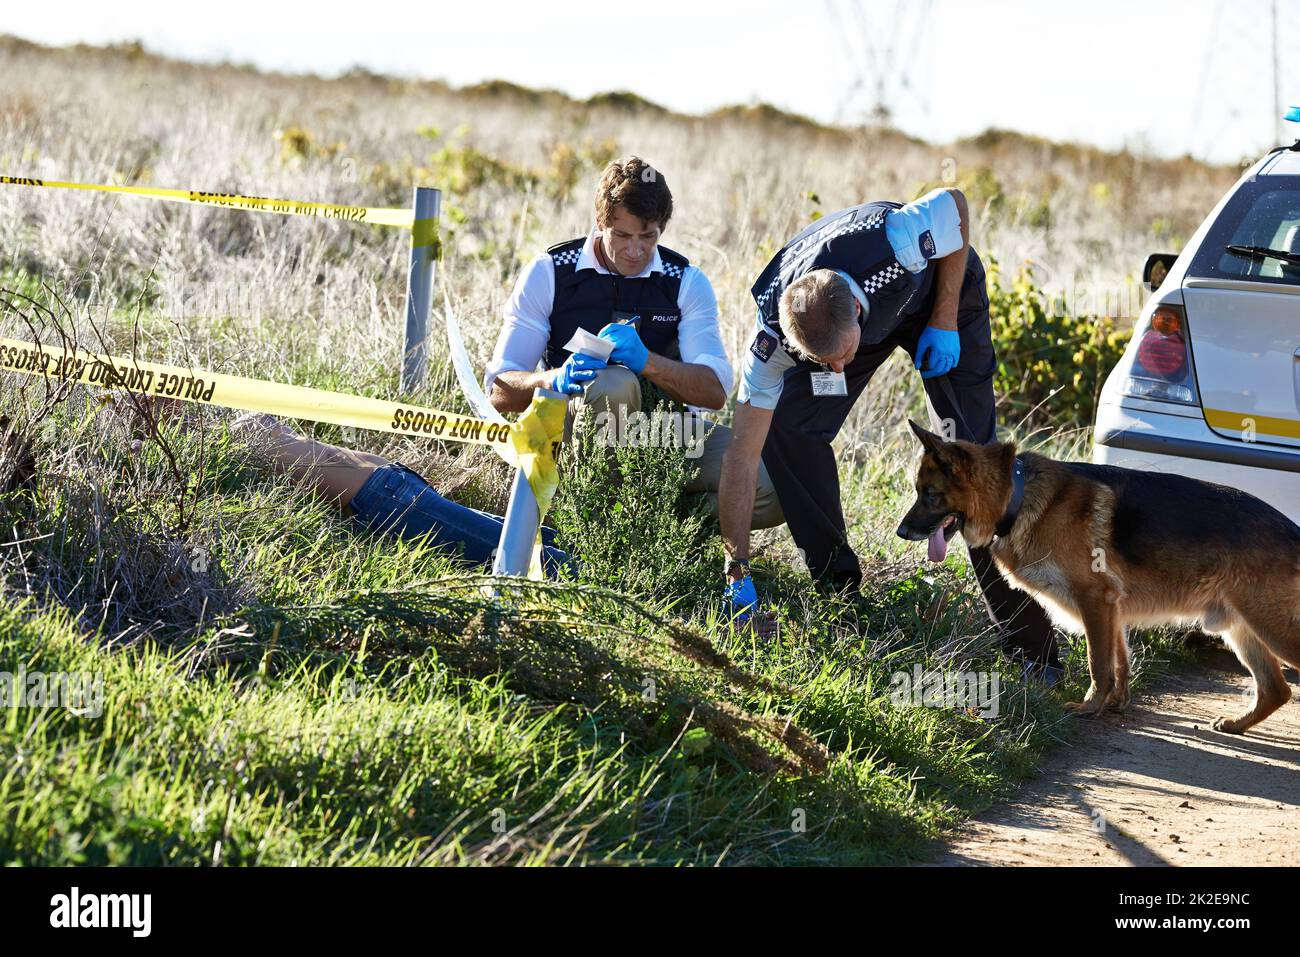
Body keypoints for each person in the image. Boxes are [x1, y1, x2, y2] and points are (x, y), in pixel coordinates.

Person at [717, 187, 1064, 681]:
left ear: (857, 314)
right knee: (788, 430)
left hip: (942, 292)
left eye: (840, 357)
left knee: (974, 469)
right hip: (851, 322)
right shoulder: (771, 343)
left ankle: (1033, 650)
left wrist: (943, 320)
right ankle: (840, 594)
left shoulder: (895, 240)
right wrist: (737, 571)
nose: (837, 369)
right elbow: (740, 456)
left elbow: (957, 204)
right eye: (824, 363)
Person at [485, 155, 784, 529]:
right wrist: (551, 379)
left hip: (662, 434)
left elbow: (713, 392)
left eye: (648, 236)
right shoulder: (549, 272)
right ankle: (593, 530)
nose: (635, 250)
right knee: (614, 382)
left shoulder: (686, 282)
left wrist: (648, 361)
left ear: (662, 228)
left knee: (772, 483)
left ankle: (654, 536)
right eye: (622, 235)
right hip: (573, 436)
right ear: (600, 223)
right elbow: (498, 391)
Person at [232, 412, 572, 577]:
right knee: (532, 543)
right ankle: (609, 569)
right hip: (390, 489)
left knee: (535, 557)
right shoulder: (238, 429)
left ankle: (609, 579)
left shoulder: (231, 432)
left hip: (391, 498)